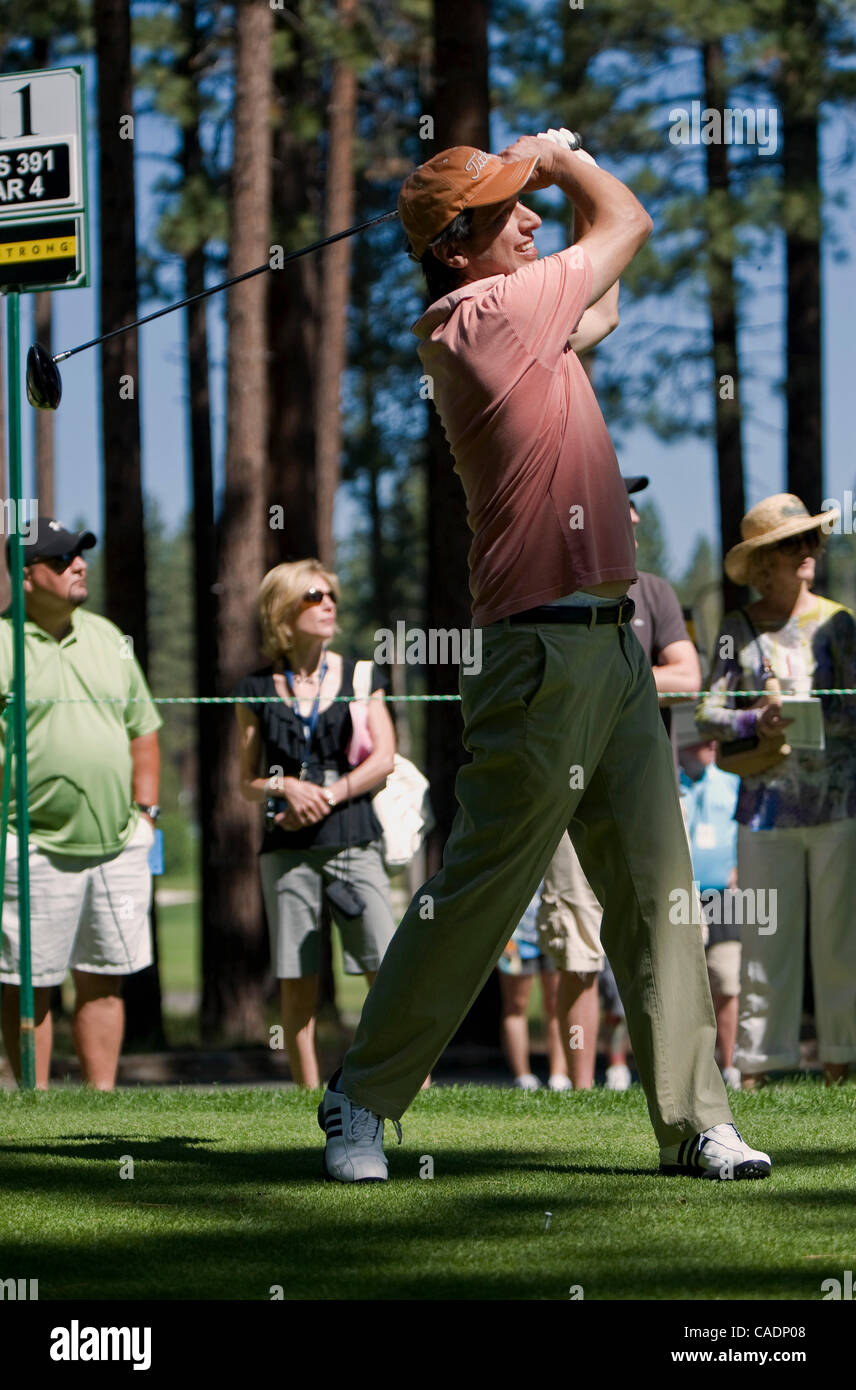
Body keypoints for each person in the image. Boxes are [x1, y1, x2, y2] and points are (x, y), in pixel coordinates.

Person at [319, 136, 770, 1181]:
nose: (529, 219)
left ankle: (694, 1122)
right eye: (508, 210)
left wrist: (547, 180)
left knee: (656, 896)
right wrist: (561, 160)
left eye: (529, 205)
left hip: (610, 648)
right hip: (539, 650)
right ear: (456, 246)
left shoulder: (526, 320)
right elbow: (628, 226)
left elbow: (602, 294)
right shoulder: (485, 319)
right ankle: (360, 1098)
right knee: (481, 888)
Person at [538, 475, 703, 1091]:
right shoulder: (553, 590)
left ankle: (674, 1090)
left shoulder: (654, 592)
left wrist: (610, 684)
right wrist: (629, 682)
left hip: (646, 787)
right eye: (620, 508)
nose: (633, 520)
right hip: (566, 787)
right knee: (576, 945)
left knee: (667, 933)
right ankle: (581, 1094)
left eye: (634, 510)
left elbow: (689, 676)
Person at [696, 494, 856, 1089]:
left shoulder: (841, 623)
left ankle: (842, 1058)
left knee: (841, 938)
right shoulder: (737, 629)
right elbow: (706, 712)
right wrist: (753, 723)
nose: (809, 551)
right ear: (765, 559)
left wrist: (821, 716)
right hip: (763, 811)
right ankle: (761, 1065)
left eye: (812, 539)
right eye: (793, 543)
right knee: (765, 939)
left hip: (839, 806)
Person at [0, 520, 161, 1090]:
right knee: (29, 980)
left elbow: (143, 729)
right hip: (31, 842)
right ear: (25, 575)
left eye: (80, 555)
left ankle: (101, 1102)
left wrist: (147, 817)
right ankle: (36, 1105)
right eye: (63, 558)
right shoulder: (1, 643)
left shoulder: (108, 637)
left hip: (117, 843)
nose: (78, 565)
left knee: (104, 976)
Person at [234, 559, 398, 1089]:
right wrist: (286, 787)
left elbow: (384, 759)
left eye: (331, 595)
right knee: (296, 979)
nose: (328, 604)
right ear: (283, 609)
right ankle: (307, 1097)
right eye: (313, 596)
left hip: (354, 839)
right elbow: (246, 781)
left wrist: (325, 793)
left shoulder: (361, 675)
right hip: (287, 850)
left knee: (385, 968)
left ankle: (407, 1085)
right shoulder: (255, 688)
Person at [678, 737, 741, 1088]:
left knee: (727, 979)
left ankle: (729, 1064)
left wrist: (742, 867)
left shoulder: (732, 779)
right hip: (683, 894)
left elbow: (746, 827)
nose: (711, 744)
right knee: (686, 982)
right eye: (700, 739)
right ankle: (691, 1067)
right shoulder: (670, 784)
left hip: (725, 894)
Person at [497, 884, 570, 1092]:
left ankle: (559, 1075)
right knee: (516, 1005)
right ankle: (522, 1076)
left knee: (557, 1005)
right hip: (515, 937)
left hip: (554, 930)